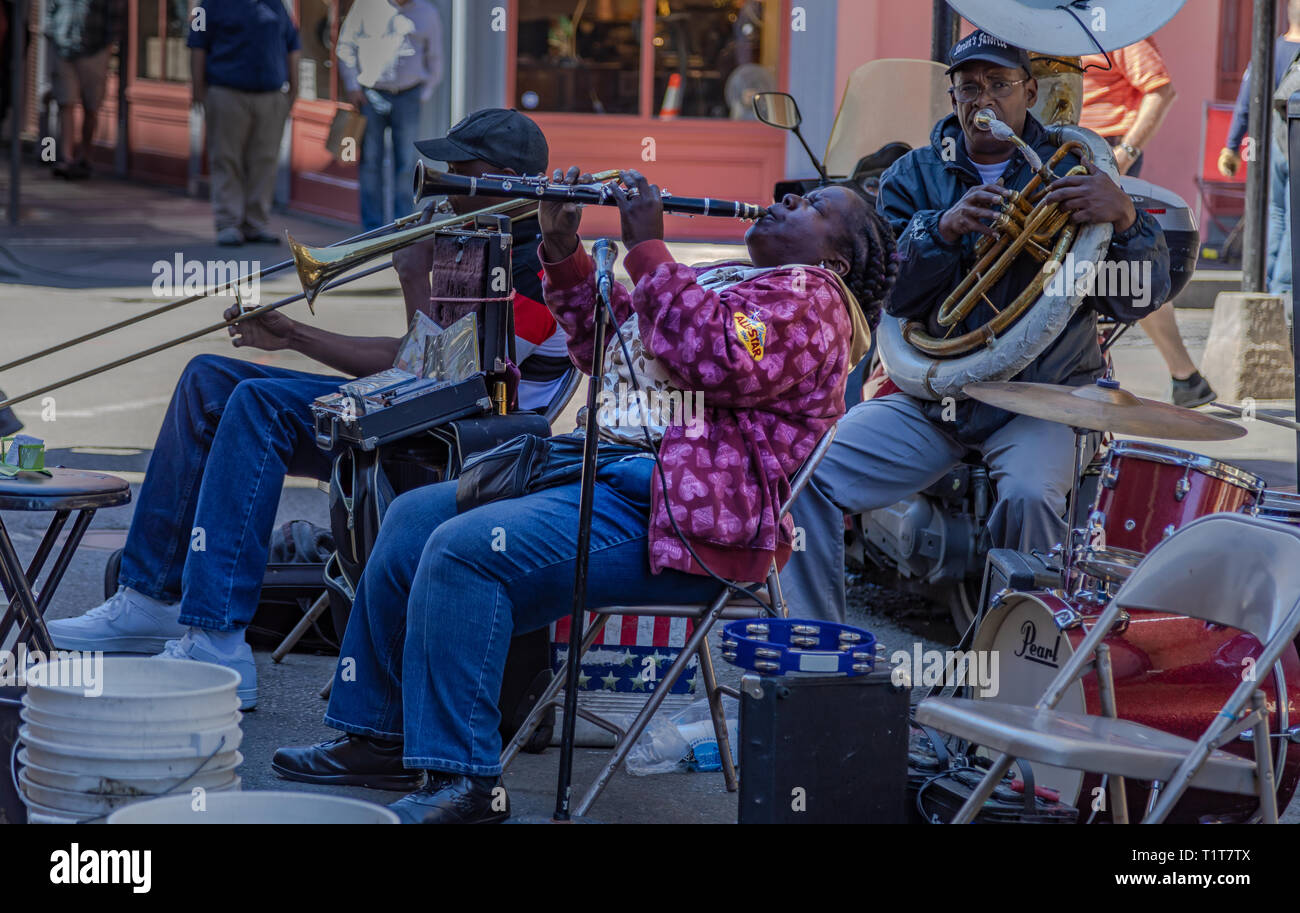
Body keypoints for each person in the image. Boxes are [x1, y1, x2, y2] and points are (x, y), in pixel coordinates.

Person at [269, 170, 894, 824]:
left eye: (812, 204)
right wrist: (563, 249)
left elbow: (714, 355)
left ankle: (465, 780)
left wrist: (649, 246)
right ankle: (379, 734)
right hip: (612, 477)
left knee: (462, 552)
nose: (786, 199)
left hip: (681, 520)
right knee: (412, 517)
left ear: (835, 259)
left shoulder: (817, 301)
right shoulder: (738, 280)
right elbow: (612, 344)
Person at [46, 111, 571, 710]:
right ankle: (148, 601)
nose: (445, 180)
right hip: (428, 417)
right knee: (207, 380)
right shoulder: (478, 237)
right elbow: (416, 357)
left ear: (503, 179)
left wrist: (410, 275)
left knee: (258, 404)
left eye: (461, 170)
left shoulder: (538, 267)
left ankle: (217, 641)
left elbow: (442, 376)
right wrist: (294, 334)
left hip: (465, 453)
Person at [780, 31, 1169, 626]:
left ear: (1030, 92)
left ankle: (1014, 672)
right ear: (953, 96)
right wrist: (942, 231)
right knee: (808, 474)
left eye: (998, 85)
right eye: (968, 88)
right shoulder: (912, 175)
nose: (982, 99)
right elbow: (885, 289)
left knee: (1031, 497)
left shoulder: (1078, 167)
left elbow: (1135, 300)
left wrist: (1128, 220)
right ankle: (814, 652)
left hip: (1044, 396)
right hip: (937, 397)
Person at [1080, 38, 1213, 409]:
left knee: (1124, 266)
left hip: (1104, 150)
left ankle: (1184, 374)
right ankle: (1185, 377)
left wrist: (1125, 153)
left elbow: (1160, 90)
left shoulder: (1112, 29)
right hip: (1070, 149)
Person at [187, 0, 299, 247]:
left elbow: (292, 43)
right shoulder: (208, 5)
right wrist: (198, 90)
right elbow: (197, 45)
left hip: (270, 94)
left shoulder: (276, 4)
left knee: (265, 161)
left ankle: (255, 224)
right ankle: (228, 223)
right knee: (226, 158)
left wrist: (294, 88)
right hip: (226, 91)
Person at [337, 0, 443, 231]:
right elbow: (345, 47)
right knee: (370, 163)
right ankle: (372, 229)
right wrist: (353, 87)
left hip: (408, 96)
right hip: (370, 95)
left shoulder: (427, 13)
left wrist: (421, 96)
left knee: (406, 164)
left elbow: (435, 60)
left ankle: (403, 227)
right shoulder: (365, 6)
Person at [1219, 0, 1300, 298]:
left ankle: (1265, 285)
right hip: (1294, 145)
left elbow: (1245, 102)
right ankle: (1283, 292)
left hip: (1272, 149)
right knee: (1294, 219)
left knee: (1277, 216)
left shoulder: (1269, 52)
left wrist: (1230, 146)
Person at [46, 0, 123, 180]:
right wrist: (51, 35)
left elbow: (115, 18)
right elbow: (50, 10)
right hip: (62, 46)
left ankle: (86, 157)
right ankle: (66, 158)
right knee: (66, 103)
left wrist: (108, 48)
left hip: (93, 50)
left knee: (92, 107)